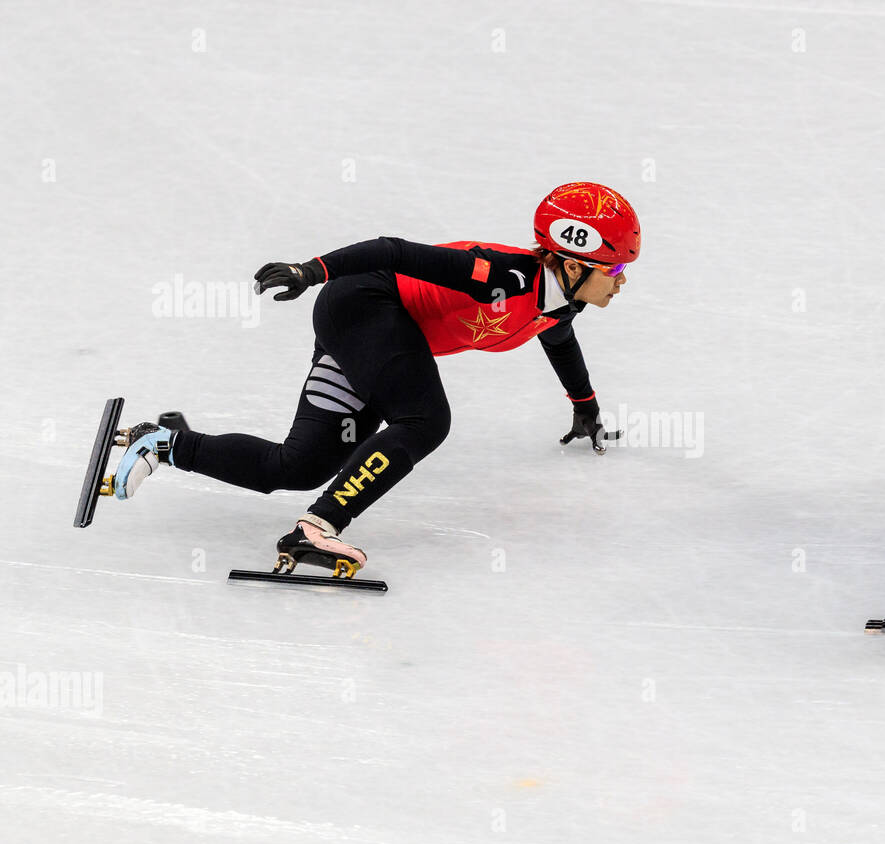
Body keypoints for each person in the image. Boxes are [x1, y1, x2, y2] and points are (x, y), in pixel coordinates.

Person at [109, 182, 640, 576]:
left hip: (373, 332)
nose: (620, 284)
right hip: (365, 305)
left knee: (298, 465)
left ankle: (165, 445)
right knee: (426, 419)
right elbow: (394, 250)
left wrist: (585, 404)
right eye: (613, 272)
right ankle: (315, 529)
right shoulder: (507, 275)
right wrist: (310, 270)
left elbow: (557, 338)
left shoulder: (562, 305)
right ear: (572, 264)